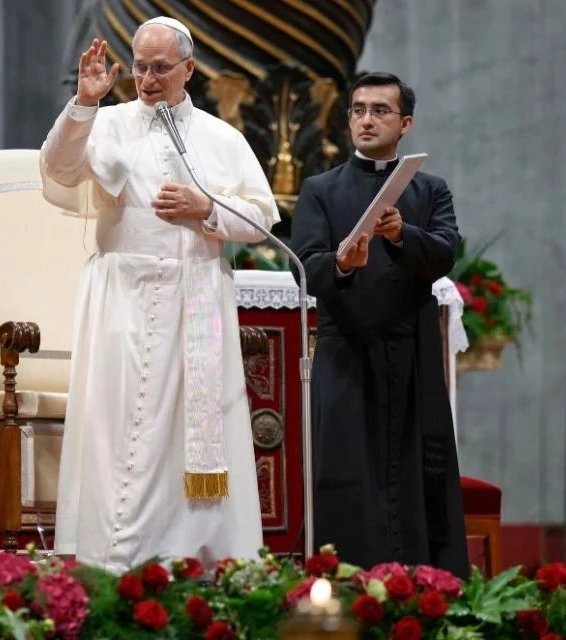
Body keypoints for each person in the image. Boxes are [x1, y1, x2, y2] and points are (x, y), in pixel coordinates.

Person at [40, 16, 279, 572]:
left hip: (195, 298)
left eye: (161, 68)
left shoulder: (223, 138)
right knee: (120, 429)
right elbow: (58, 170)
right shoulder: (109, 123)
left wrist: (208, 210)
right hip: (121, 299)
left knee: (190, 442)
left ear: (188, 69)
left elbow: (265, 219)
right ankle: (112, 559)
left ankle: (197, 559)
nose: (147, 79)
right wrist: (83, 102)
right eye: (141, 67)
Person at [289, 71, 469, 576]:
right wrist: (345, 262)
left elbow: (443, 253)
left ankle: (422, 589)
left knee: (416, 478)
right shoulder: (321, 190)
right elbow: (304, 266)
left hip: (411, 354)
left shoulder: (430, 190)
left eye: (380, 110)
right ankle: (344, 590)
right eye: (358, 109)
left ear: (405, 123)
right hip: (346, 351)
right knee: (347, 476)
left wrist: (399, 234)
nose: (366, 119)